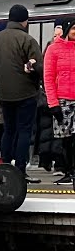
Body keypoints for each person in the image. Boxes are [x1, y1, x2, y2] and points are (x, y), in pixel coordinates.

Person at [0, 4, 44, 179]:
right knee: (24, 131)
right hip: (26, 94)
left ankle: (5, 168)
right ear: (25, 21)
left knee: (9, 131)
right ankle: (21, 170)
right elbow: (39, 67)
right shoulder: (27, 40)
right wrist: (33, 69)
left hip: (5, 95)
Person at [44, 18, 75, 184]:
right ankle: (68, 170)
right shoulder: (53, 49)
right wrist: (53, 103)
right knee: (66, 139)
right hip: (63, 100)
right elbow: (48, 77)